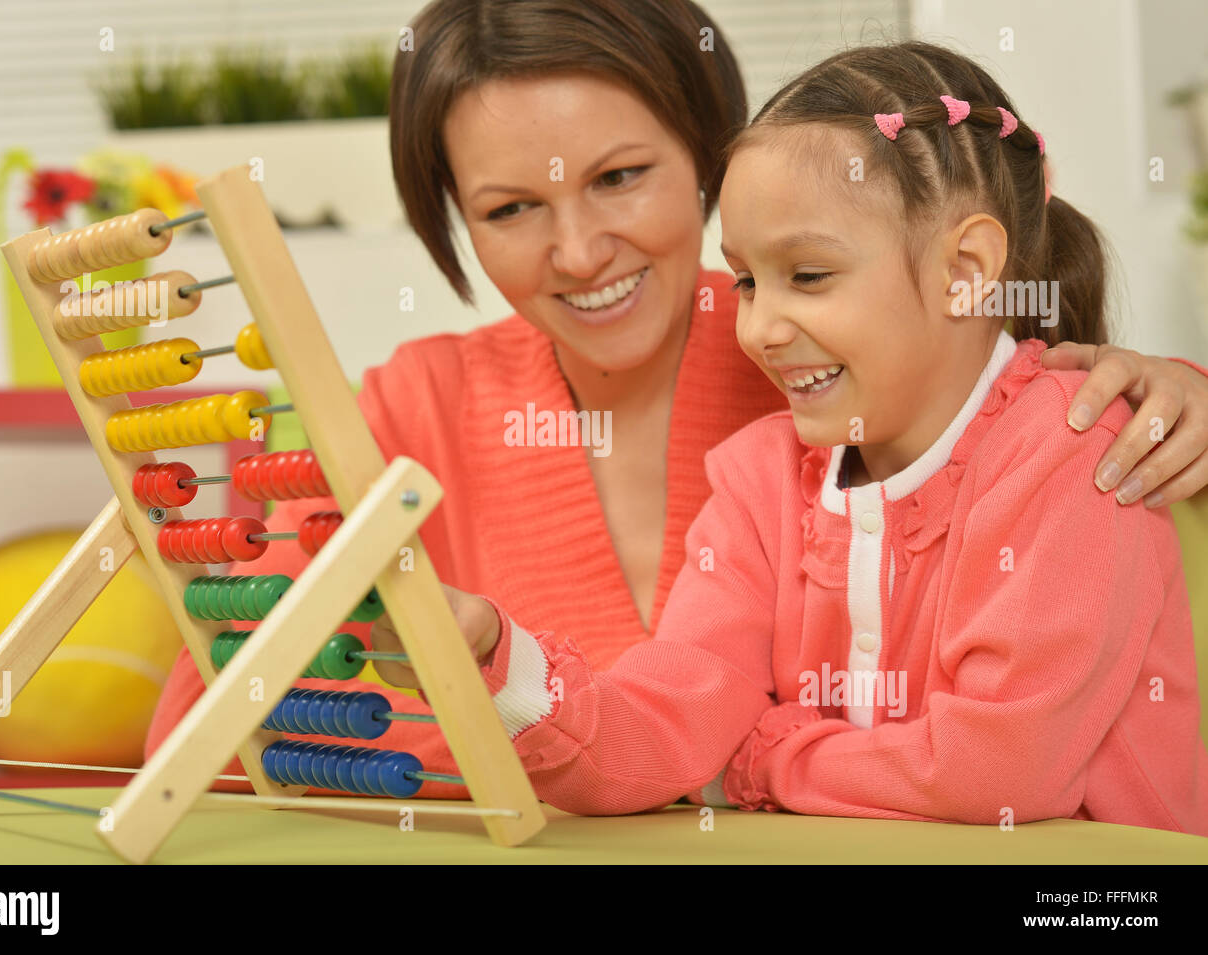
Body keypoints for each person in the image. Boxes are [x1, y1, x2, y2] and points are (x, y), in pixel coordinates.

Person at [145, 1, 1208, 802]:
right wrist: (475, 702)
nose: (576, 251)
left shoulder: (827, 374)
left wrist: (1179, 390)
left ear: (709, 162)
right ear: (455, 222)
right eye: (511, 207)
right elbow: (217, 715)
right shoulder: (418, 409)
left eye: (620, 177)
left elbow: (1011, 390)